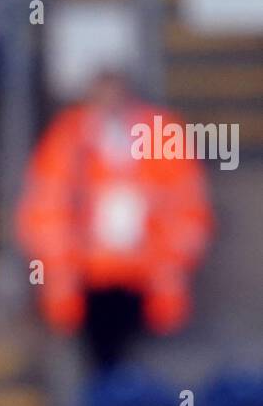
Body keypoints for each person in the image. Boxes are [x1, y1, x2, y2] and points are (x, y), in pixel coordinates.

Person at [16, 69, 214, 372]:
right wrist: (60, 272)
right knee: (97, 364)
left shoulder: (160, 134)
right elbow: (44, 208)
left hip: (146, 275)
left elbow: (188, 204)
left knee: (146, 366)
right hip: (88, 276)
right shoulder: (69, 139)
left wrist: (169, 262)